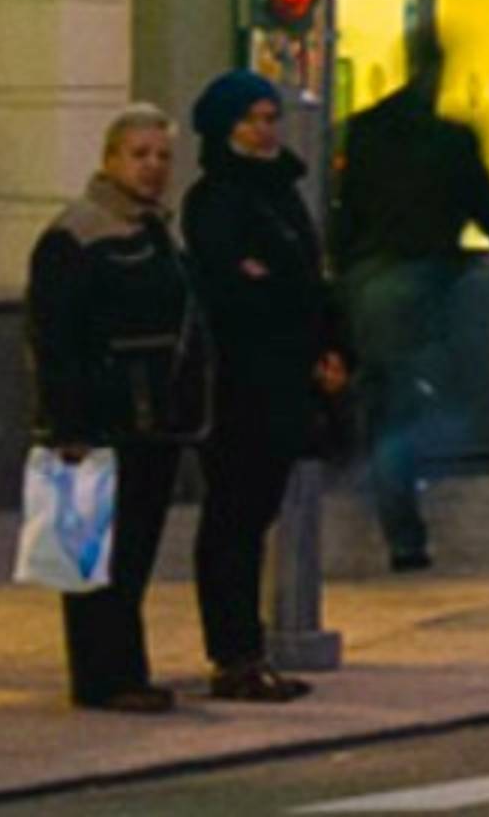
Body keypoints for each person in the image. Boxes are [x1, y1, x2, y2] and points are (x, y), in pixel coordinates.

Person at [332, 27, 489, 572]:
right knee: (426, 410)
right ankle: (398, 515)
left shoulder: (365, 132)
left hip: (368, 280)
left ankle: (389, 499)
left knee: (385, 401)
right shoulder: (449, 140)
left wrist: (339, 283)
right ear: (437, 68)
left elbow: (344, 217)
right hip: (421, 281)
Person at [30, 107, 203, 715]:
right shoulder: (77, 234)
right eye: (140, 155)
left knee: (132, 551)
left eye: (162, 156)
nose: (153, 167)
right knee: (94, 554)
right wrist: (67, 425)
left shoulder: (155, 231)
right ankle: (105, 676)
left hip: (153, 414)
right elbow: (55, 338)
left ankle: (125, 670)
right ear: (110, 159)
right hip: (102, 414)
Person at [179, 76, 343, 703]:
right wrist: (273, 286)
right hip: (239, 384)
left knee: (256, 514)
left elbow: (304, 280)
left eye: (271, 116)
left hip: (287, 377)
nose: (265, 129)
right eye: (250, 119)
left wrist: (330, 346)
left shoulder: (283, 193)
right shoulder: (216, 198)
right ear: (224, 127)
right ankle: (234, 653)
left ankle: (248, 650)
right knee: (233, 520)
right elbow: (235, 286)